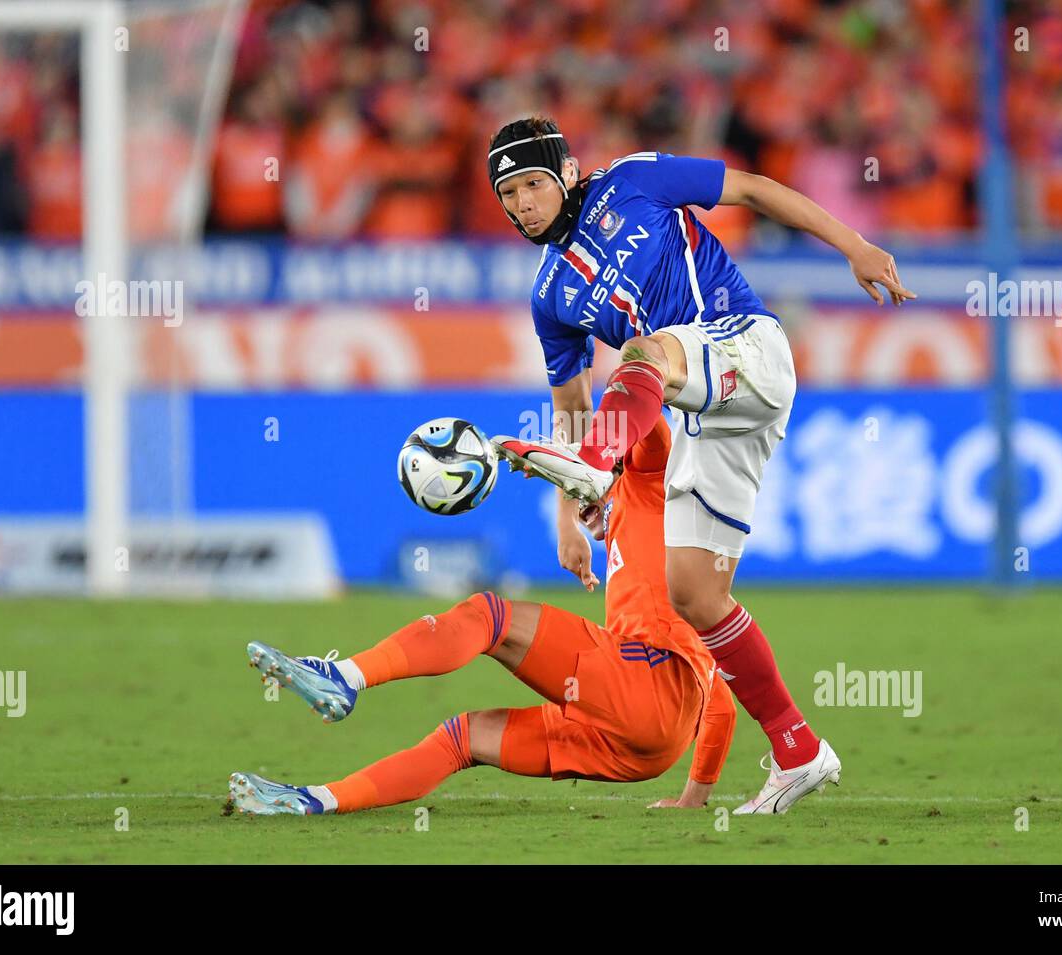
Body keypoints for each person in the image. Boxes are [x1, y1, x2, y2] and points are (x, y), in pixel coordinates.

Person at [485, 116, 912, 809]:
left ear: (565, 173)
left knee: (645, 352)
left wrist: (854, 246)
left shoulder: (633, 180)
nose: (523, 203)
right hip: (702, 416)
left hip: (745, 346)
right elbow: (570, 404)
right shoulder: (550, 296)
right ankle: (798, 749)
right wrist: (568, 515)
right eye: (509, 194)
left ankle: (602, 471)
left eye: (533, 183)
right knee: (694, 594)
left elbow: (752, 189)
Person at [228, 418, 755, 815]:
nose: (582, 504)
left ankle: (344, 677)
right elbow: (723, 707)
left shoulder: (652, 479)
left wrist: (521, 447)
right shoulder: (658, 561)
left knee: (489, 616)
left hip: (647, 685)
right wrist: (693, 798)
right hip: (652, 747)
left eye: (585, 491)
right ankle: (314, 801)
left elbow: (639, 417)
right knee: (463, 737)